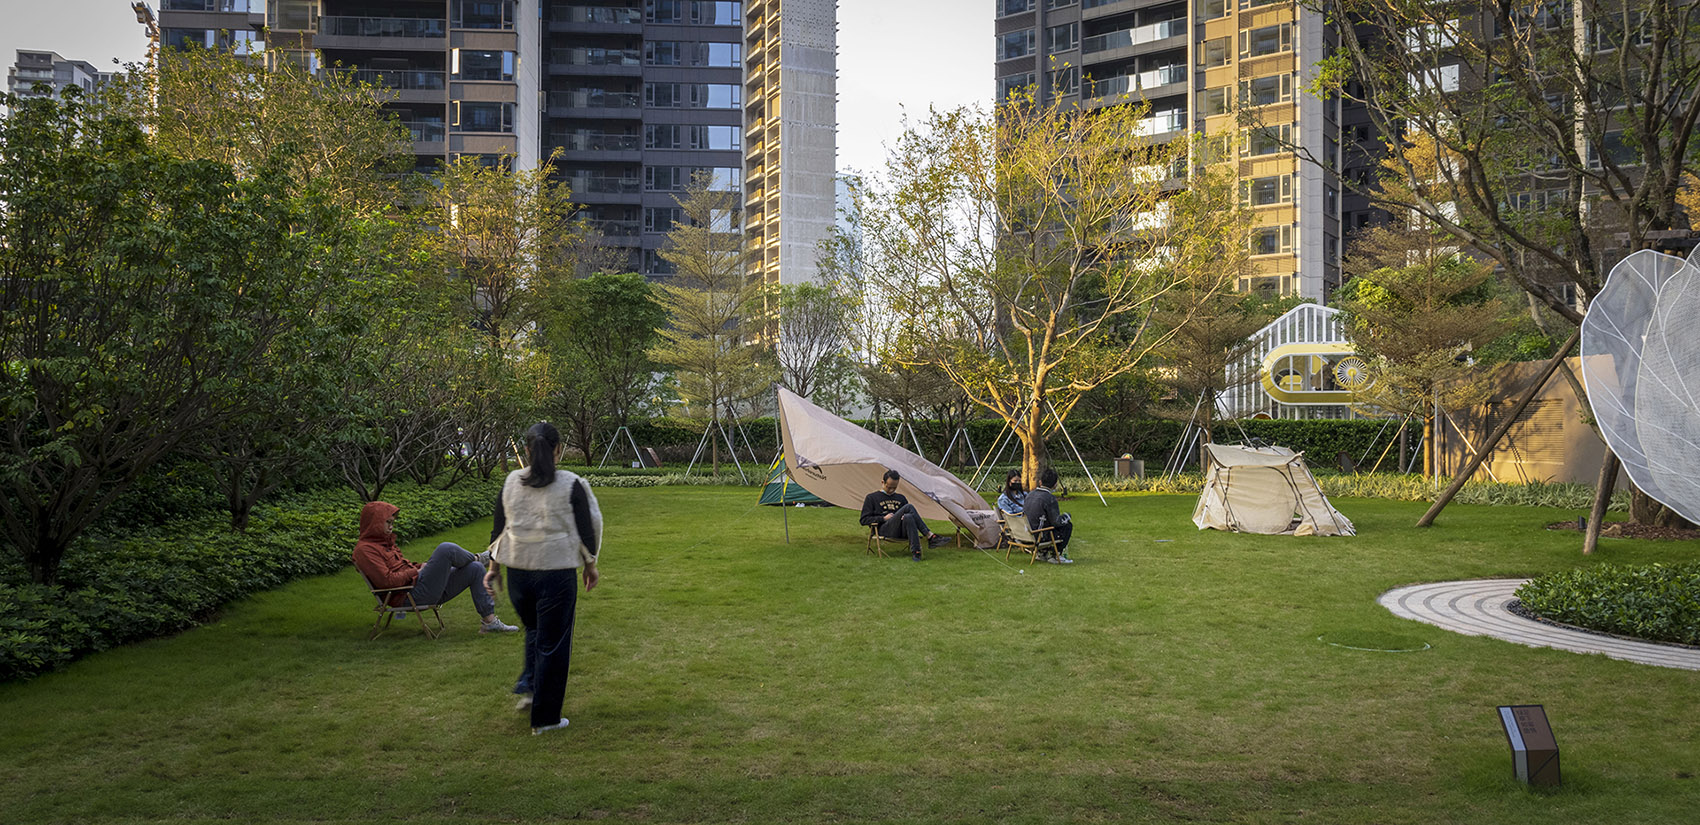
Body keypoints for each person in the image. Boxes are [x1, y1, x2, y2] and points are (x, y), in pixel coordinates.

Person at [483, 421, 602, 735]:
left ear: (526, 450)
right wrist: (590, 564)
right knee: (553, 643)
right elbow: (590, 526)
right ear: (558, 449)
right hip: (556, 573)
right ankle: (546, 719)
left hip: (519, 574)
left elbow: (499, 528)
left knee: (536, 630)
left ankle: (532, 688)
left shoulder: (511, 482)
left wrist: (493, 569)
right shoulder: (571, 483)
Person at [351, 501, 519, 633]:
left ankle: (489, 623)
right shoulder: (365, 550)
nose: (391, 526)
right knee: (446, 549)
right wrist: (416, 571)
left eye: (392, 522)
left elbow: (401, 567)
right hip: (410, 595)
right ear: (374, 523)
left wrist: (419, 567)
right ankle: (479, 557)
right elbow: (387, 581)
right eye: (387, 522)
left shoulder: (384, 542)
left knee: (474, 569)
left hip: (419, 586)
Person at [859, 469, 951, 561]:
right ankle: (930, 536)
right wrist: (883, 518)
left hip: (901, 530)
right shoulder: (871, 498)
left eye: (894, 488)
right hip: (884, 529)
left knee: (908, 516)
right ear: (883, 482)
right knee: (909, 507)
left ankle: (916, 553)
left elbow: (907, 515)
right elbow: (863, 520)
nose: (891, 490)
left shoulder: (901, 498)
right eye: (889, 487)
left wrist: (902, 517)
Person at [1024, 467, 1074, 564]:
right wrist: (1067, 516)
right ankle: (1056, 555)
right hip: (1039, 535)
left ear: (1040, 482)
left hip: (1025, 534)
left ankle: (1042, 553)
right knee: (1067, 526)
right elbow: (1056, 522)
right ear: (1055, 485)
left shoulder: (1030, 495)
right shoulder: (1049, 498)